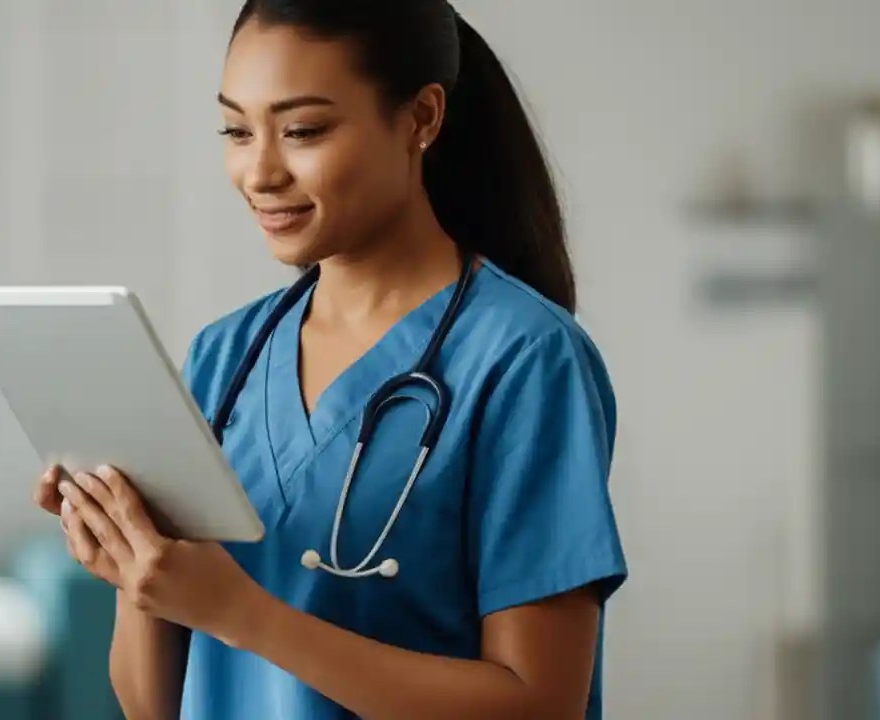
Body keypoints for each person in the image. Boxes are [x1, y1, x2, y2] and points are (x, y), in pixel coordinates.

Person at [33, 1, 627, 718]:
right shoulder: (225, 360)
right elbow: (153, 704)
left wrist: (244, 614)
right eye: (236, 130)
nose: (259, 172)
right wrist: (137, 573)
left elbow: (539, 705)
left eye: (303, 131)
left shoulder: (524, 359)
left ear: (420, 119)